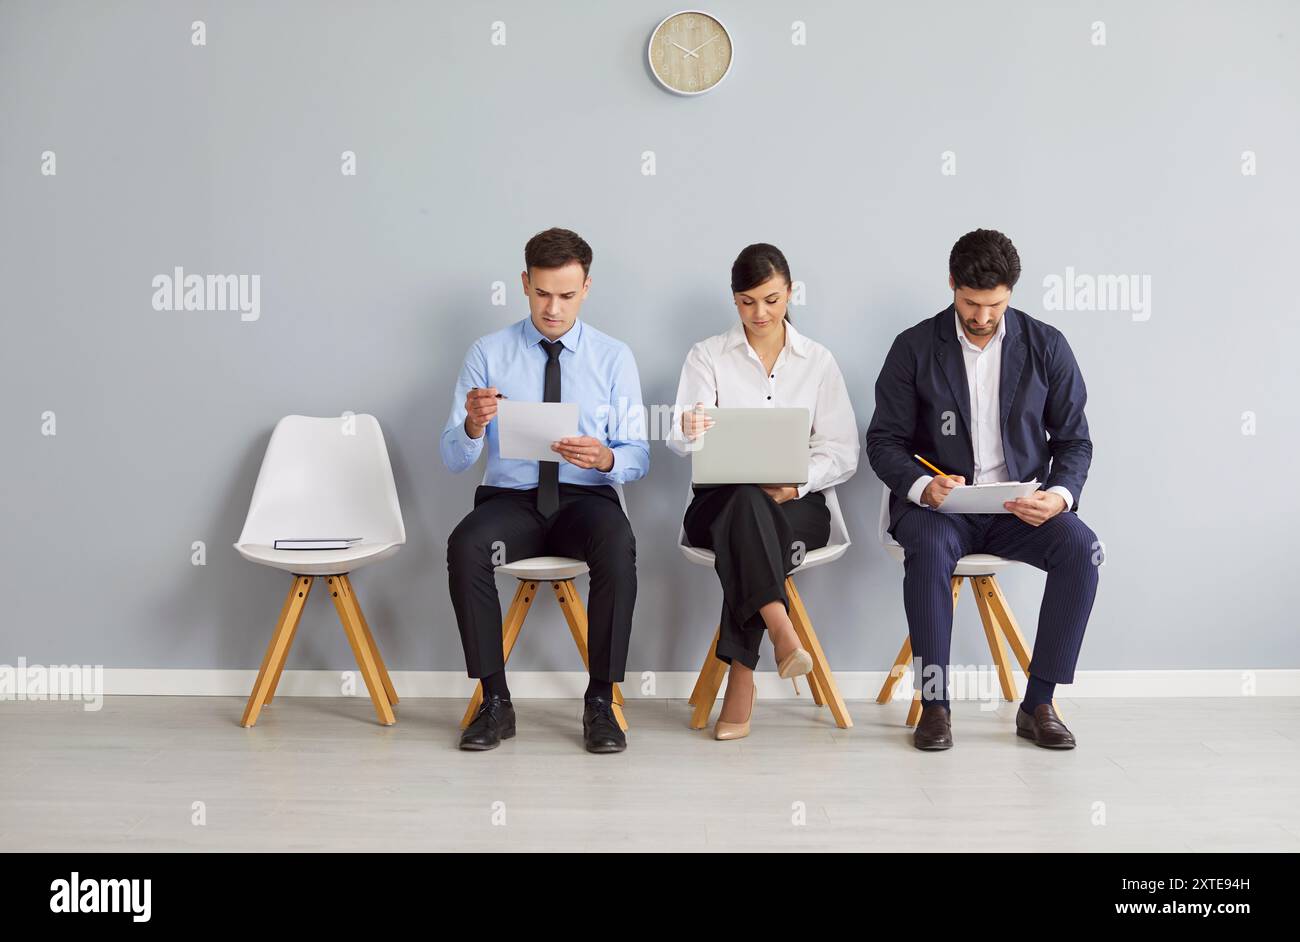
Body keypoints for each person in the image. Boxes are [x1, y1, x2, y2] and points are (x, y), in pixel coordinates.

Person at [866, 229, 1099, 751]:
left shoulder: (1046, 345)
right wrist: (924, 486)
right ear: (951, 284)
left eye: (994, 304)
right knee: (927, 550)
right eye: (971, 303)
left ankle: (1039, 702)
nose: (982, 316)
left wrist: (1057, 496)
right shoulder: (914, 347)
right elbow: (883, 441)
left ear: (1010, 292)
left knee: (1082, 549)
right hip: (939, 509)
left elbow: (1075, 441)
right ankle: (935, 706)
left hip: (1019, 508)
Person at [441, 228, 649, 753]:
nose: (553, 308)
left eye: (567, 295)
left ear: (587, 288)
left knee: (617, 547)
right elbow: (451, 457)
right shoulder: (487, 352)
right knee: (466, 546)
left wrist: (606, 458)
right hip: (511, 505)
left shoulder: (614, 357)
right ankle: (495, 702)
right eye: (541, 293)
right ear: (524, 284)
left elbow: (638, 456)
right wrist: (470, 426)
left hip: (586, 500)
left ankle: (601, 701)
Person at [667, 243, 859, 740]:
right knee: (745, 505)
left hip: (799, 506)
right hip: (718, 502)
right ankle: (780, 627)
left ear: (790, 292)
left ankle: (744, 675)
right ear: (734, 299)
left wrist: (797, 483)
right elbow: (676, 440)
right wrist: (690, 427)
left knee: (749, 527)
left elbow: (842, 451)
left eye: (772, 300)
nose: (760, 313)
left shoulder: (818, 361)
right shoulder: (707, 355)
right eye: (748, 301)